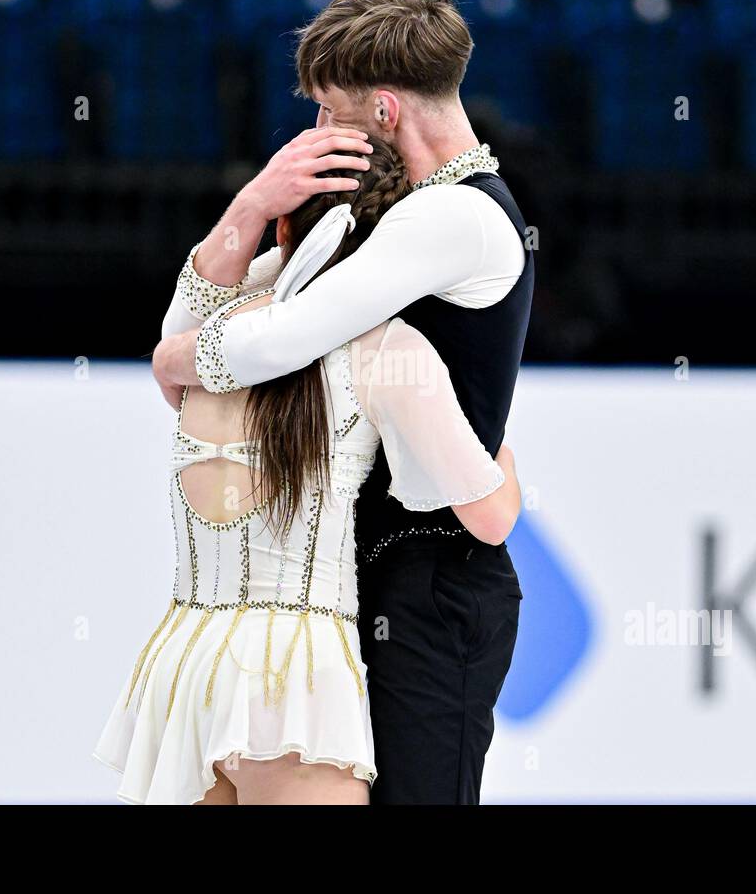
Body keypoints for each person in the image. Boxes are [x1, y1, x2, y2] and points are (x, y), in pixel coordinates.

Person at [150, 0, 534, 804]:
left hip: (437, 579)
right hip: (363, 575)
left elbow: (284, 335)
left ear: (386, 113)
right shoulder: (377, 224)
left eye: (330, 113)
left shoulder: (450, 218)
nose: (313, 137)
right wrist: (253, 206)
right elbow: (238, 323)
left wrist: (179, 358)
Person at [94, 143, 521, 804]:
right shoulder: (387, 351)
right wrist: (500, 454)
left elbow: (175, 343)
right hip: (296, 676)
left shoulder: (210, 337)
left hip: (184, 657)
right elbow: (488, 517)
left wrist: (256, 201)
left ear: (285, 228)